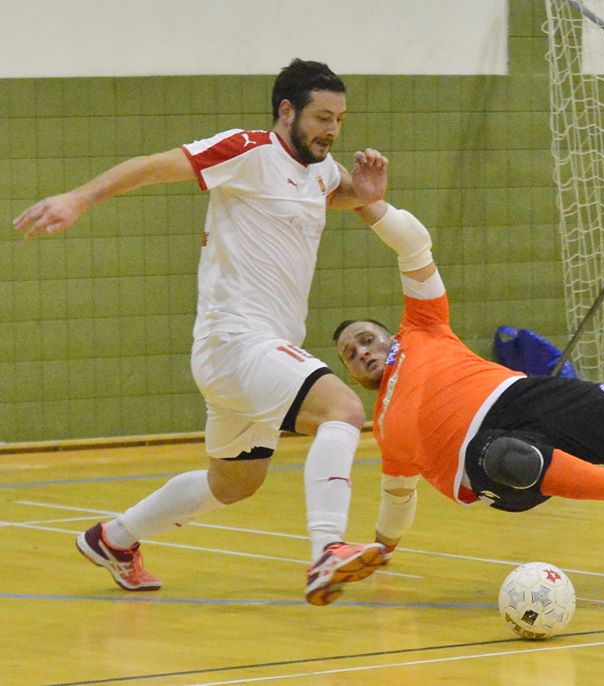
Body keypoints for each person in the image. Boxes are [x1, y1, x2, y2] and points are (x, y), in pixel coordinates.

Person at [13, 59, 391, 606]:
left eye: (340, 119)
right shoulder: (248, 149)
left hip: (250, 355)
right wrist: (78, 199)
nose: (332, 130)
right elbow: (151, 166)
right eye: (323, 117)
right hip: (237, 341)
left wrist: (364, 192)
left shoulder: (322, 170)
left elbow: (329, 193)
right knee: (345, 411)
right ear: (287, 111)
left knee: (235, 483)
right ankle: (326, 549)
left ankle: (114, 539)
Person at [333, 202, 604, 577]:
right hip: (489, 467)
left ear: (389, 334)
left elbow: (414, 245)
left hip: (526, 398)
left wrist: (367, 203)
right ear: (352, 375)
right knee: (511, 457)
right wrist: (383, 547)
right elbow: (398, 498)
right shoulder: (384, 428)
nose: (362, 352)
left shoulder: (422, 324)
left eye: (367, 339)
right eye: (351, 355)